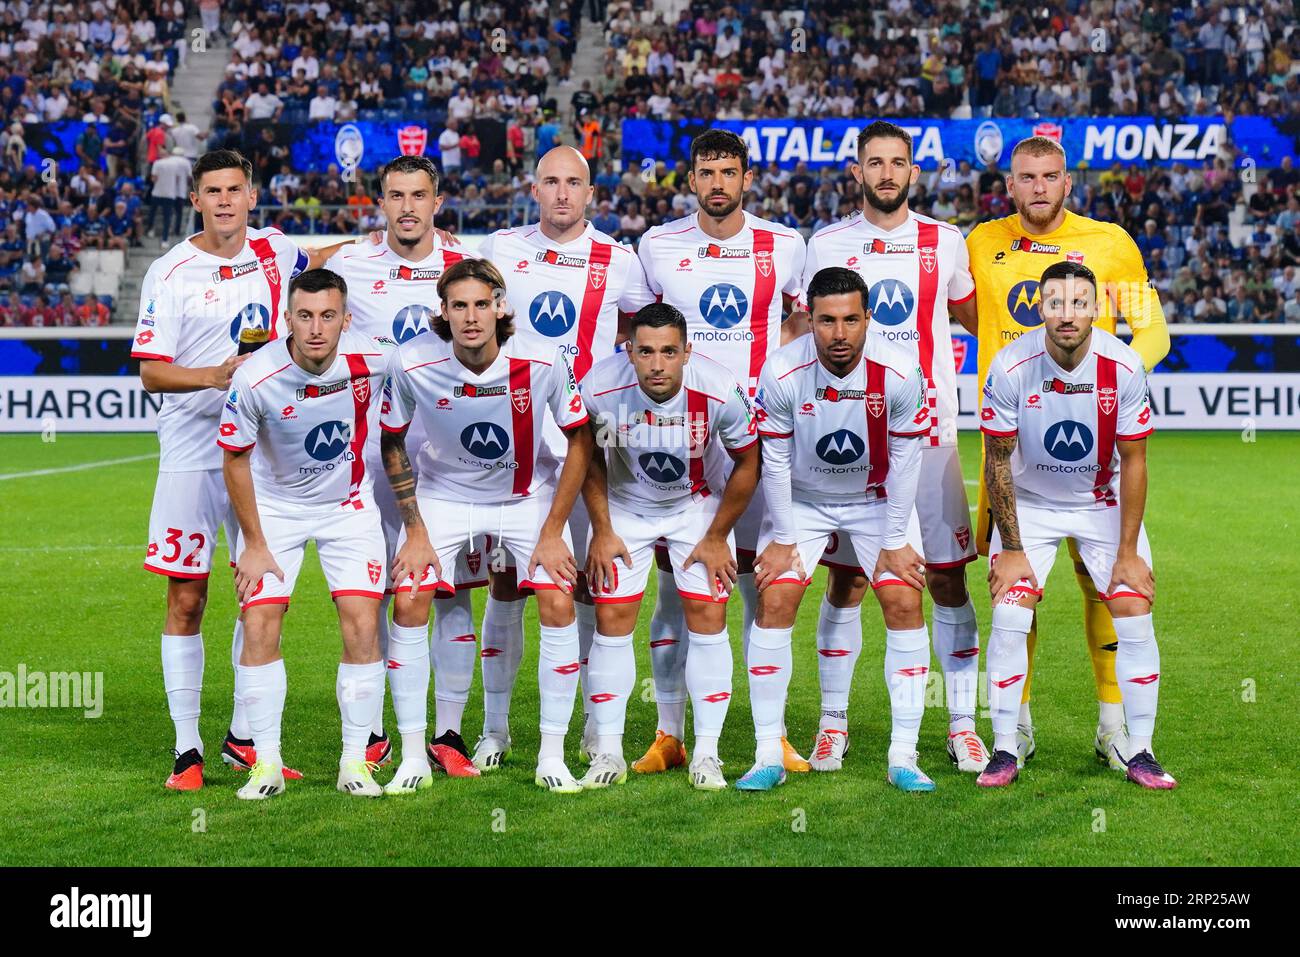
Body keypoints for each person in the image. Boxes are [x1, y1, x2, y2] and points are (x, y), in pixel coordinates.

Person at [132, 149, 370, 791]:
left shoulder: (276, 250)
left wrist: (367, 242)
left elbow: (319, 268)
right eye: (213, 191)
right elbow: (151, 370)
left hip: (263, 455)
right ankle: (187, 750)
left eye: (235, 189)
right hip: (192, 453)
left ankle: (243, 741)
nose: (226, 201)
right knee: (187, 598)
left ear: (251, 194)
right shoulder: (172, 271)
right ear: (198, 200)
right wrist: (213, 376)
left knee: (259, 600)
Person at [966, 135, 1170, 772]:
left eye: (1050, 176)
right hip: (1008, 449)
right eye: (1026, 177)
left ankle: (1116, 728)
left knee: (1101, 585)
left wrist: (1103, 383)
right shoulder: (978, 244)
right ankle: (1014, 730)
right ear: (1010, 184)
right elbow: (961, 319)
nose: (1038, 188)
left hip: (1093, 453)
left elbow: (1153, 329)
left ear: (1067, 183)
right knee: (1010, 590)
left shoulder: (1111, 244)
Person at [799, 120, 988, 773]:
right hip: (848, 442)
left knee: (947, 580)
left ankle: (962, 723)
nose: (886, 173)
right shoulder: (826, 243)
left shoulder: (945, 240)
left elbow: (979, 318)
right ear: (857, 172)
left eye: (897, 162)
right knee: (849, 582)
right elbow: (805, 329)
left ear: (913, 171)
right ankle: (833, 724)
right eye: (874, 162)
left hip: (933, 438)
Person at [379, 257, 595, 793]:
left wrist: (552, 529)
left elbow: (581, 438)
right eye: (459, 306)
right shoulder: (410, 363)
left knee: (559, 599)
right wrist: (416, 530)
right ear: (443, 313)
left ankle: (552, 756)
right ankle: (412, 755)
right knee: (408, 598)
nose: (471, 317)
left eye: (481, 304)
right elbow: (391, 440)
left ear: (500, 308)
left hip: (525, 498)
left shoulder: (543, 359)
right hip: (444, 496)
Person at [471, 145, 655, 771]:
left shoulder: (621, 261)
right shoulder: (500, 249)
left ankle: (592, 728)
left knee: (586, 587)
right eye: (550, 181)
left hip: (588, 446)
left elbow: (637, 334)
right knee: (506, 587)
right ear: (534, 187)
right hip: (512, 447)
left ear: (591, 194)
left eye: (573, 183)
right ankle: (495, 731)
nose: (561, 194)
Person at [634, 128, 808, 776]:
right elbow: (639, 334)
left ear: (745, 178)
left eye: (727, 172)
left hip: (759, 447)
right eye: (706, 172)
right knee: (678, 593)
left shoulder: (785, 245)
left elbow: (802, 322)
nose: (717, 183)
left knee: (765, 591)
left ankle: (774, 734)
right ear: (691, 179)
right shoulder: (658, 246)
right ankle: (669, 732)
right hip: (680, 449)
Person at [325, 154, 481, 776]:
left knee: (449, 594)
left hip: (447, 456)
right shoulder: (350, 263)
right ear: (380, 203)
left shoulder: (463, 266)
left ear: (436, 202)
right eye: (396, 196)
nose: (408, 207)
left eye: (419, 195)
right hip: (368, 455)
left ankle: (447, 732)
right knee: (378, 593)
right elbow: (306, 279)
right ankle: (376, 732)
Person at [747, 266, 931, 791]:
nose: (840, 334)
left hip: (876, 500)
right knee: (777, 597)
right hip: (802, 502)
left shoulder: (897, 371)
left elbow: (905, 461)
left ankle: (904, 756)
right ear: (809, 318)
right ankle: (768, 755)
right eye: (826, 321)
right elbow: (775, 462)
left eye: (851, 319)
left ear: (869, 318)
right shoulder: (781, 370)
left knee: (902, 600)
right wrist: (783, 538)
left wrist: (895, 542)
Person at [218, 269, 394, 799]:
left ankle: (354, 764)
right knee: (260, 625)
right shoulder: (256, 377)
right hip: (275, 511)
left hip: (349, 508)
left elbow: (444, 358)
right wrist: (253, 543)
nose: (316, 328)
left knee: (363, 627)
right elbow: (234, 458)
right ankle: (265, 764)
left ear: (346, 318)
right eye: (304, 315)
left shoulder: (376, 357)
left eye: (328, 315)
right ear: (286, 317)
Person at [580, 302, 760, 790]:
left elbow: (748, 461)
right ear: (629, 351)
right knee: (612, 621)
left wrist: (718, 535)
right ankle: (609, 753)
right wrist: (601, 528)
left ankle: (706, 755)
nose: (656, 364)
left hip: (696, 508)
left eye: (668, 352)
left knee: (707, 617)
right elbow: (587, 458)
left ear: (687, 352)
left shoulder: (719, 388)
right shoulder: (600, 386)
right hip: (626, 508)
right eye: (645, 352)